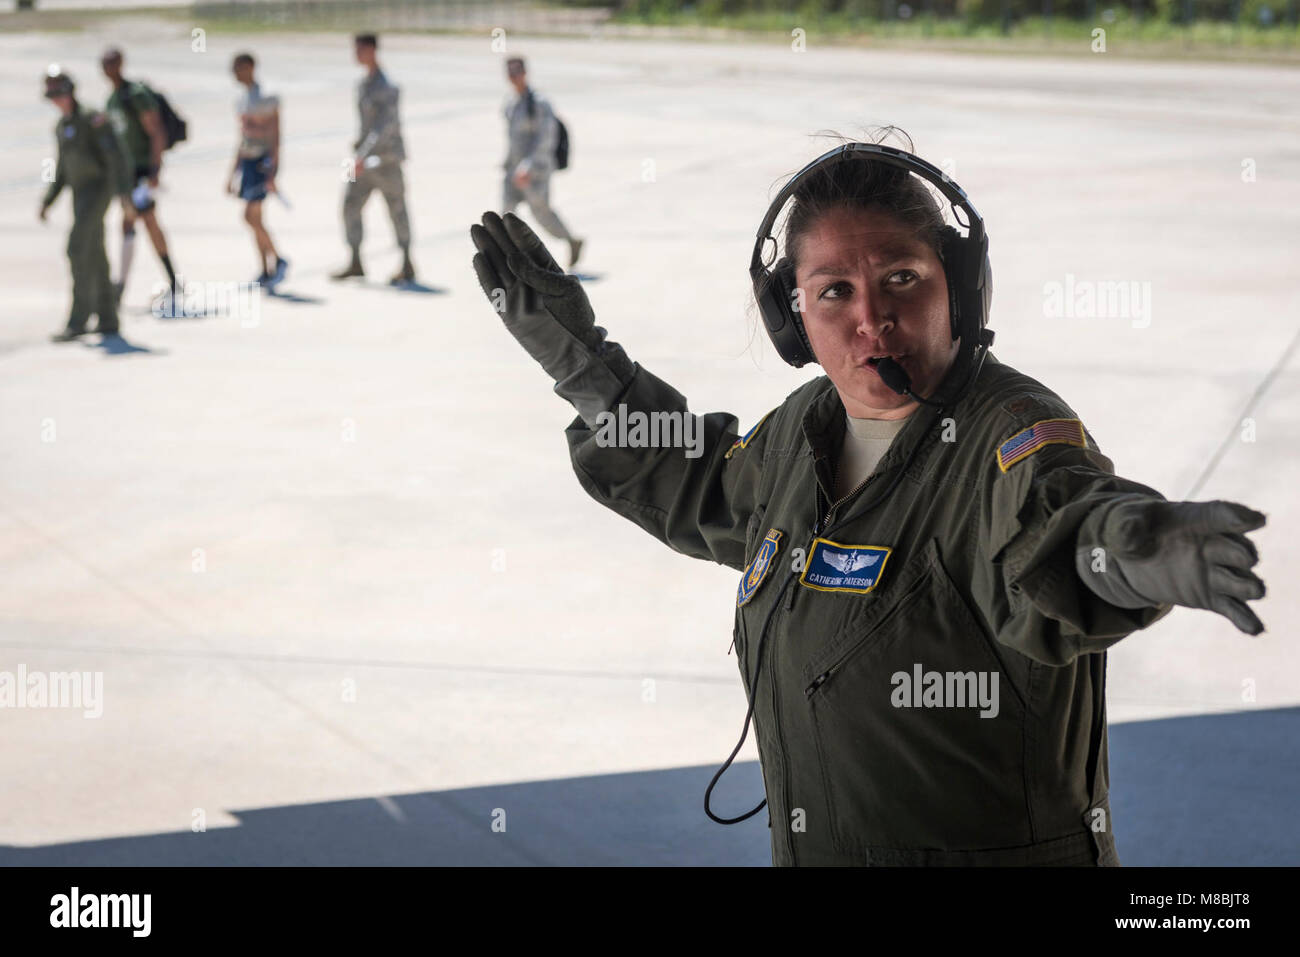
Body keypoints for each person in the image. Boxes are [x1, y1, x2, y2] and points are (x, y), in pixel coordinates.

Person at [469, 141, 1269, 867]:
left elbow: (1054, 526)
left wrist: (1128, 553)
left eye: (901, 279)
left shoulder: (1010, 432)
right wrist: (583, 367)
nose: (871, 320)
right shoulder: (803, 430)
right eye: (833, 292)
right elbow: (707, 484)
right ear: (793, 319)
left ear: (958, 286)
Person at [38, 67, 132, 342]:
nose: (57, 98)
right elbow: (62, 168)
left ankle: (78, 319)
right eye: (52, 94)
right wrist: (48, 200)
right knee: (95, 254)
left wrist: (124, 194)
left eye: (60, 92)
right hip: (79, 196)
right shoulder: (62, 126)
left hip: (98, 191)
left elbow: (116, 156)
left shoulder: (93, 119)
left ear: (71, 90)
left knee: (76, 248)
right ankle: (107, 318)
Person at [331, 33, 416, 284]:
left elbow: (385, 126)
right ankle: (355, 260)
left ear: (372, 50)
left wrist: (362, 155)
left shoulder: (387, 86)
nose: (356, 54)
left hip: (386, 160)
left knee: (397, 210)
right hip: (362, 161)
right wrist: (360, 154)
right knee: (349, 204)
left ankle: (407, 262)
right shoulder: (363, 84)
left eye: (359, 49)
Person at [100, 47, 179, 306]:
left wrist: (156, 171)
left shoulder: (135, 95)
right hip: (126, 174)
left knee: (142, 221)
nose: (108, 69)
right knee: (136, 222)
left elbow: (156, 132)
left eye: (111, 63)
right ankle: (127, 284)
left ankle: (130, 285)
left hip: (143, 171)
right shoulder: (112, 99)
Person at [500, 57, 582, 271]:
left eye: (517, 71)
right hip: (513, 171)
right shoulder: (511, 104)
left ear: (525, 73)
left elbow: (546, 138)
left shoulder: (539, 103)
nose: (513, 76)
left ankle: (571, 240)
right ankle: (509, 260)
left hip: (535, 171)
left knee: (542, 213)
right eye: (510, 72)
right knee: (506, 213)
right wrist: (508, 163)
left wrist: (528, 165)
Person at [227, 52, 288, 289]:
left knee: (249, 216)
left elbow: (276, 135)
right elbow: (241, 140)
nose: (236, 74)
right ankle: (265, 268)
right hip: (248, 162)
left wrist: (274, 169)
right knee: (255, 219)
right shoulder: (242, 100)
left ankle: (279, 258)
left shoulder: (267, 98)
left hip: (262, 162)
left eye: (239, 68)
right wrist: (233, 172)